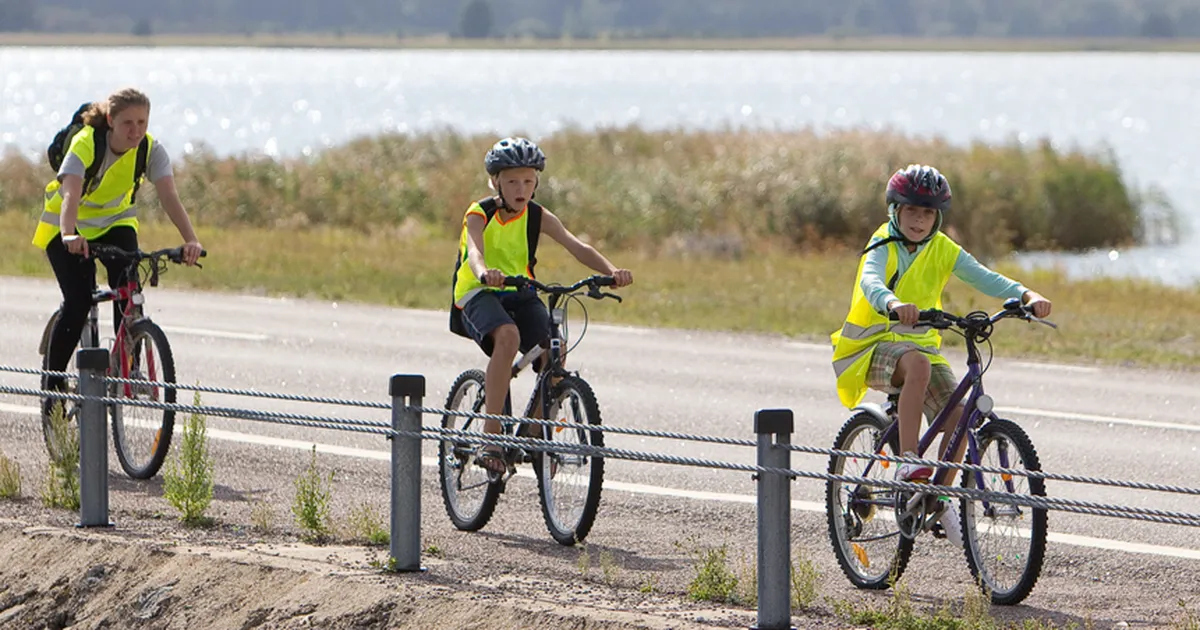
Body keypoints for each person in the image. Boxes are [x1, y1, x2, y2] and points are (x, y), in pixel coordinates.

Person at [830, 164, 1052, 544]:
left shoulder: (942, 248)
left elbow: (984, 276)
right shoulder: (882, 244)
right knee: (917, 364)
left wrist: (1026, 295)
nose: (919, 220)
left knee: (960, 414)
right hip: (870, 347)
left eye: (928, 213)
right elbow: (870, 280)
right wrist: (892, 302)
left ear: (938, 217)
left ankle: (939, 496)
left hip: (919, 348)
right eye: (911, 211)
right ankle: (909, 462)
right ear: (895, 210)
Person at [452, 137, 632, 474]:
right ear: (495, 182)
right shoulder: (480, 213)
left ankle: (536, 436)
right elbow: (474, 252)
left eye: (528, 181)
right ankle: (491, 439)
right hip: (479, 291)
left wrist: (612, 272)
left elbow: (577, 247)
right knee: (508, 337)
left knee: (555, 349)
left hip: (521, 290)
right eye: (512, 182)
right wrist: (485, 272)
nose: (521, 189)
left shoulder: (537, 215)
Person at [34, 88, 204, 400]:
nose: (135, 131)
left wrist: (190, 240)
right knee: (78, 301)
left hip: (115, 224)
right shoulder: (86, 142)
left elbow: (169, 196)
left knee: (128, 289)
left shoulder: (149, 150)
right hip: (68, 226)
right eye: (128, 123)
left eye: (142, 122)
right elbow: (70, 193)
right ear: (111, 120)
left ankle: (130, 369)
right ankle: (53, 391)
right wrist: (69, 234)